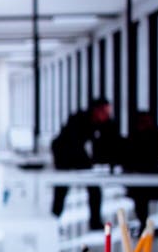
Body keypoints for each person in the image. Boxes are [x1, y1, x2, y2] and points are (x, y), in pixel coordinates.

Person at [50, 98, 121, 229]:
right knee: (61, 188)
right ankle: (54, 221)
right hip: (64, 152)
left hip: (76, 153)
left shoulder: (102, 123)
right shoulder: (79, 119)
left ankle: (94, 221)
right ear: (96, 110)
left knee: (94, 189)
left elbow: (111, 141)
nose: (107, 115)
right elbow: (73, 144)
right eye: (104, 112)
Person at [122, 112, 158, 224]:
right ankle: (143, 223)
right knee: (139, 194)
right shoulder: (132, 141)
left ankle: (143, 224)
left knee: (139, 193)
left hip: (152, 181)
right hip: (141, 185)